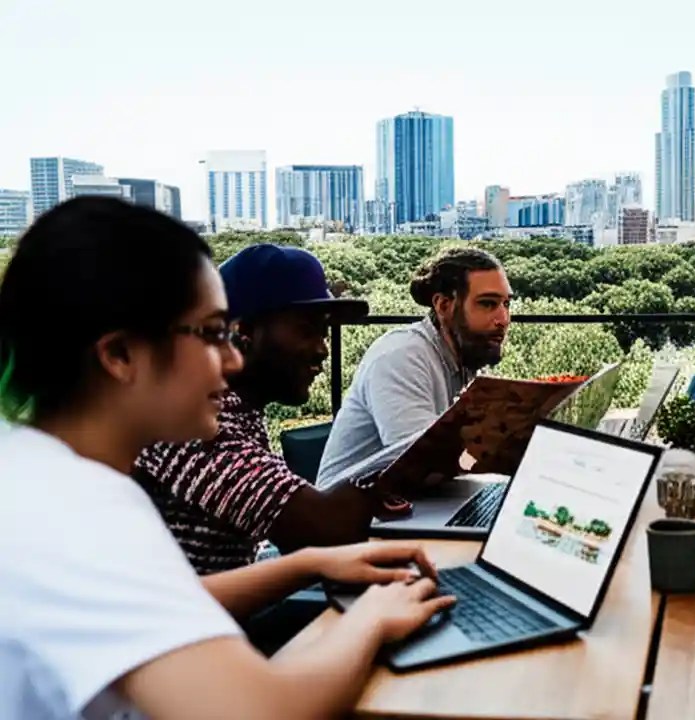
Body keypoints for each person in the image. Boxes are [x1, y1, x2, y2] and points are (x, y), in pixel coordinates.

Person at [0, 198, 454, 720]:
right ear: (120, 355)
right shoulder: (86, 512)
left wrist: (309, 563)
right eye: (214, 334)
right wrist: (372, 617)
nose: (233, 358)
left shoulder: (42, 475)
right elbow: (263, 711)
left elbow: (164, 597)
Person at [135, 244, 416, 576]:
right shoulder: (189, 423)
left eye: (325, 333)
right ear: (243, 333)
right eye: (308, 329)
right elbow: (324, 532)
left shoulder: (236, 410)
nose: (323, 349)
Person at [317, 247, 512, 488]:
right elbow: (422, 465)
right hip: (349, 518)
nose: (503, 319)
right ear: (443, 306)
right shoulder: (402, 356)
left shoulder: (464, 357)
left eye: (506, 304)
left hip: (410, 506)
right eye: (487, 304)